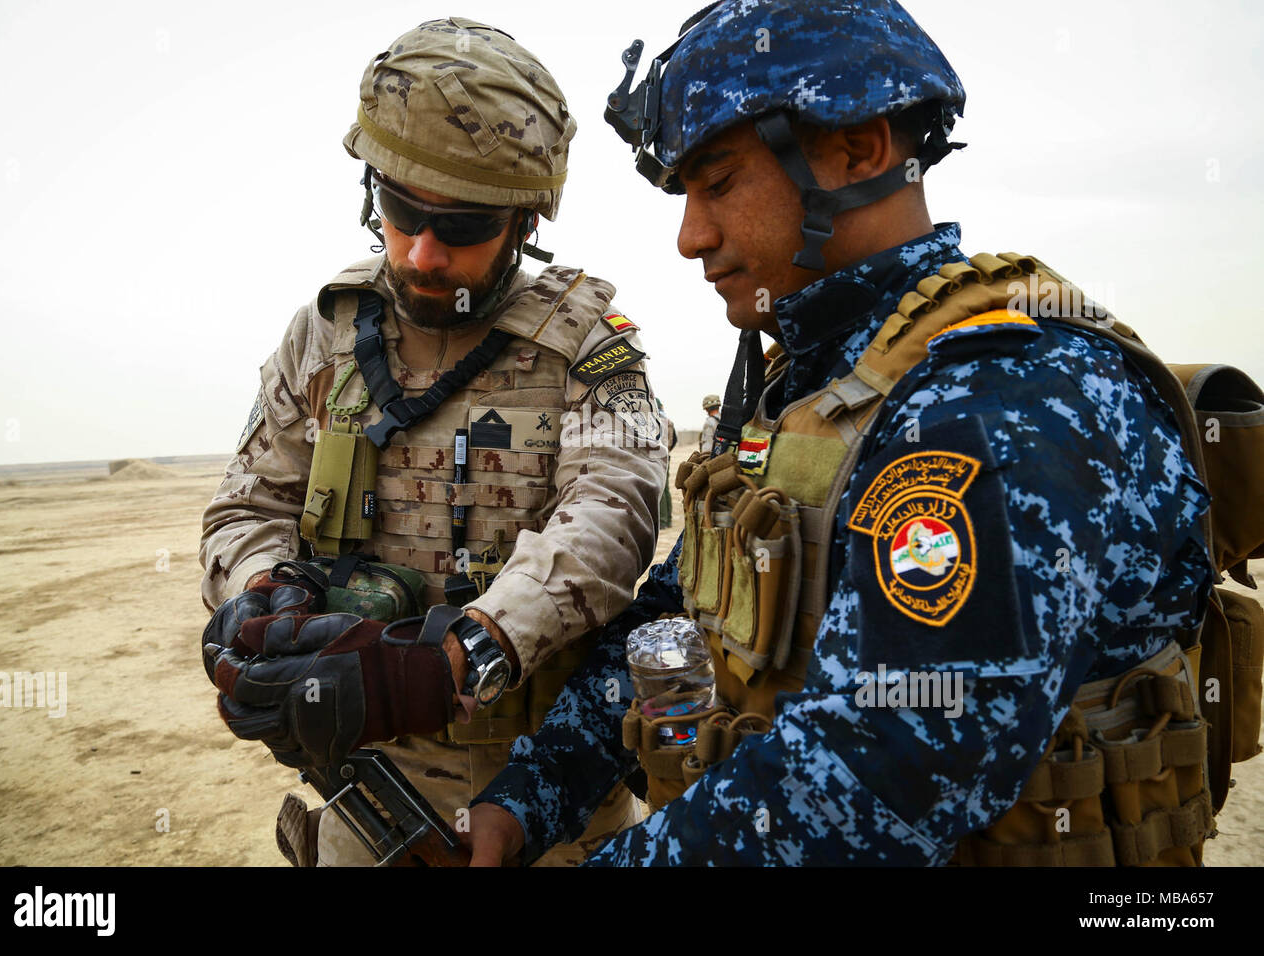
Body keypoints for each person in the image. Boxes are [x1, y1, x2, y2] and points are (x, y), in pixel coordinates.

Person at [461, 0, 1224, 866]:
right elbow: (683, 619)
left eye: (718, 184)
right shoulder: (805, 386)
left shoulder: (999, 398)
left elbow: (887, 768)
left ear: (859, 148)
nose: (690, 236)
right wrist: (525, 802)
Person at [198, 18, 664, 866]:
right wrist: (261, 593)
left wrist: (460, 657)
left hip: (544, 805)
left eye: (461, 229)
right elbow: (248, 503)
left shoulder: (592, 343)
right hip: (366, 795)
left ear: (525, 221)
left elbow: (613, 518)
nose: (419, 251)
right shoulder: (326, 334)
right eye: (398, 210)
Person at [656, 397, 677, 528]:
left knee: (661, 489)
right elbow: (674, 440)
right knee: (667, 489)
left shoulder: (655, 420)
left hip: (657, 456)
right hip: (667, 455)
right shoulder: (669, 421)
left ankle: (662, 521)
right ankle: (668, 518)